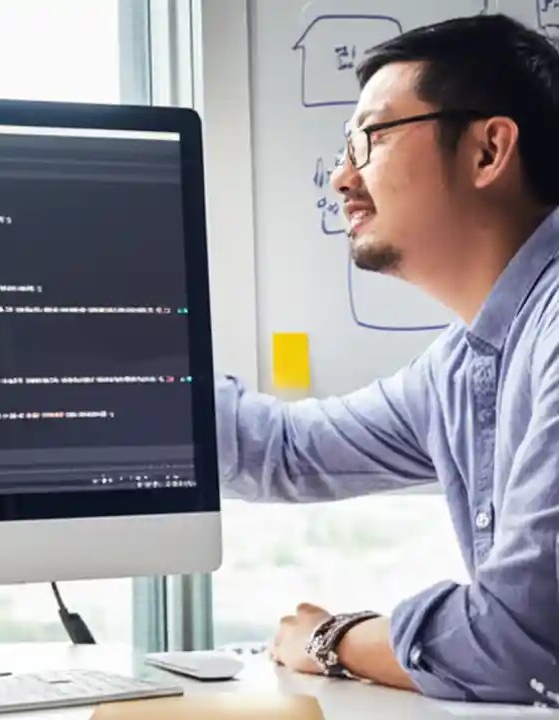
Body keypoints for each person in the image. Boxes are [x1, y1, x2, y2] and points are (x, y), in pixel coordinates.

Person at [218, 14, 559, 704]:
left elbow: (521, 640)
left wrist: (334, 639)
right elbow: (283, 452)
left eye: (369, 139)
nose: (343, 176)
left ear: (488, 151)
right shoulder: (465, 366)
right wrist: (120, 357)